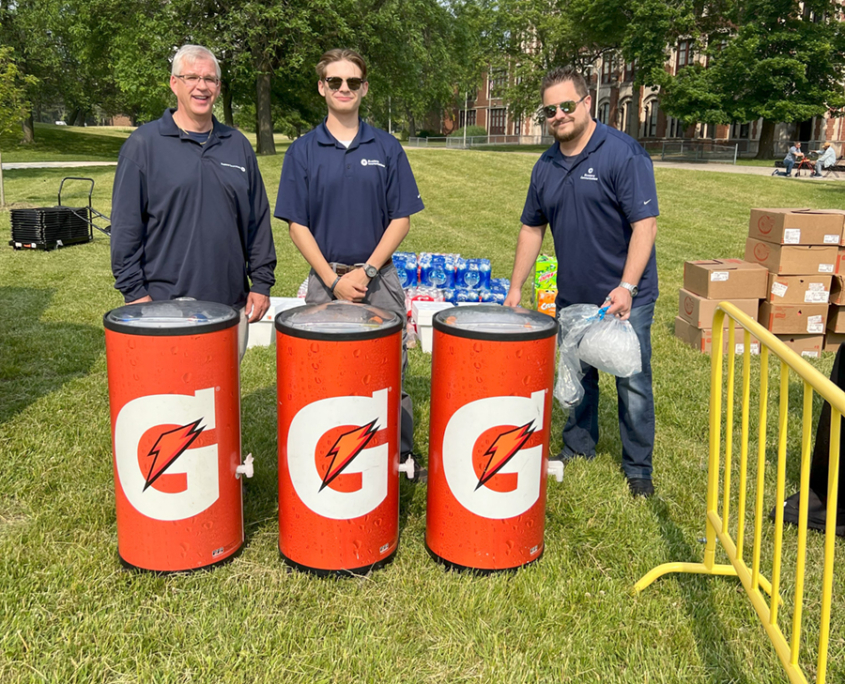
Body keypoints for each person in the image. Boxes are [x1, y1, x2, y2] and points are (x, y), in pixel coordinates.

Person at [503, 65, 659, 497]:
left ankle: (638, 469)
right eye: (549, 110)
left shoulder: (622, 154)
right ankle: (578, 447)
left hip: (626, 294)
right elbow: (531, 228)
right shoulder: (546, 165)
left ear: (587, 103)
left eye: (567, 105)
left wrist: (627, 287)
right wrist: (515, 288)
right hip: (574, 295)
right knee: (578, 374)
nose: (559, 115)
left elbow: (645, 225)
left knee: (632, 382)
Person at [274, 48, 425, 475]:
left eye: (353, 82)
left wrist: (367, 271)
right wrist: (333, 279)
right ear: (322, 88)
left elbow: (401, 219)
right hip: (326, 282)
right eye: (335, 81)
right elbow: (297, 225)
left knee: (389, 373)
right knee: (324, 373)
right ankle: (326, 458)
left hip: (379, 279)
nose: (345, 88)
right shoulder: (303, 151)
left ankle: (397, 459)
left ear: (365, 88)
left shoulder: (386, 147)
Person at [111, 45, 276, 356]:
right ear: (174, 83)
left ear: (218, 87)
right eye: (192, 78)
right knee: (172, 386)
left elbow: (257, 221)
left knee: (222, 386)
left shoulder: (237, 145)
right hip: (164, 306)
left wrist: (261, 283)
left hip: (230, 304)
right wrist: (135, 295)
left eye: (210, 79)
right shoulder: (143, 145)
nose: (202, 86)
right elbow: (125, 229)